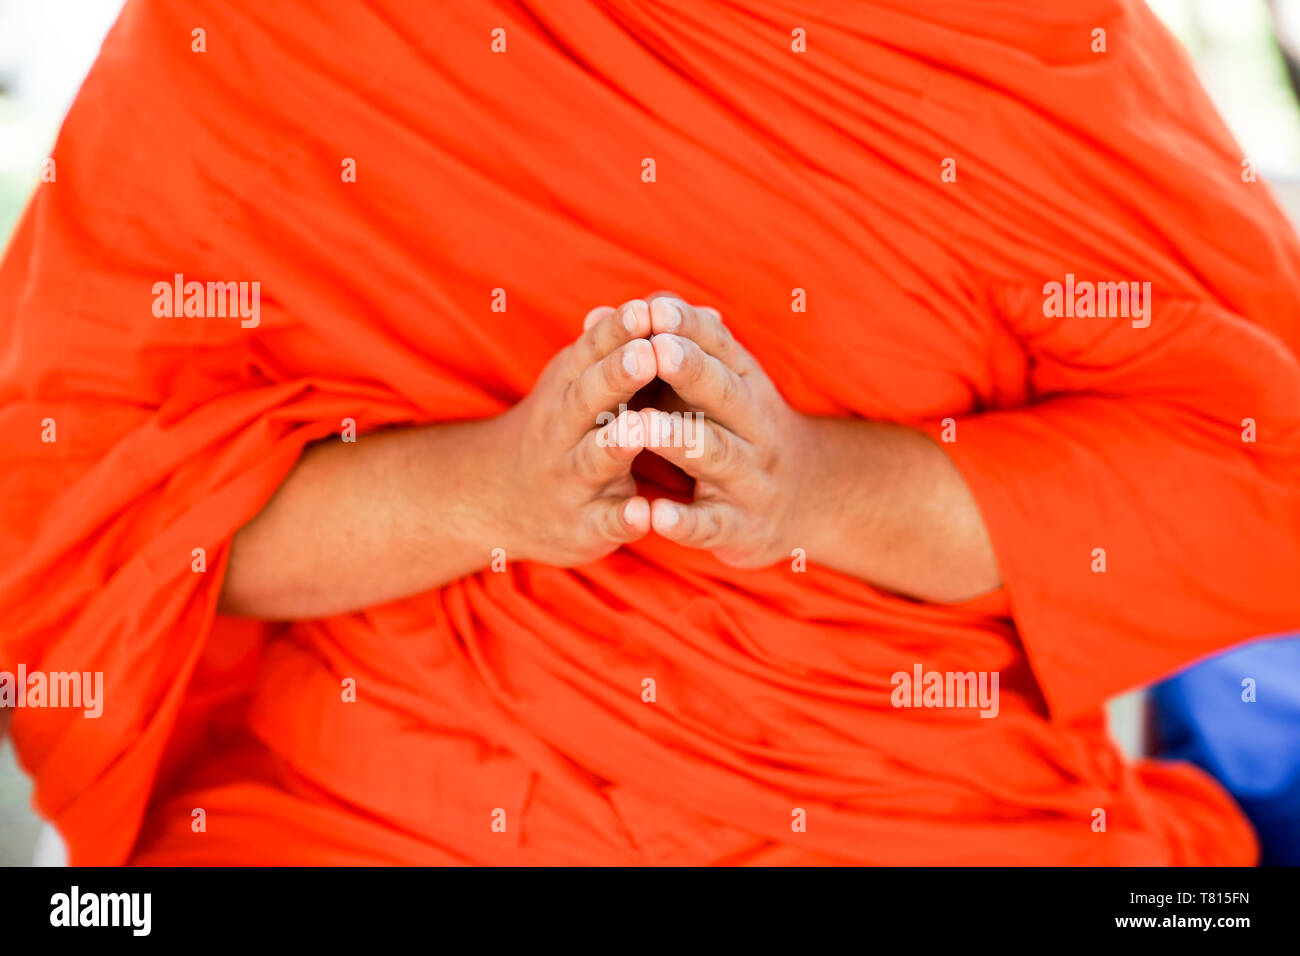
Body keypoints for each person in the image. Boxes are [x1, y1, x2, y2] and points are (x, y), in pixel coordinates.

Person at [1, 0, 1297, 865]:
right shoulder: (273, 32)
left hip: (915, 809)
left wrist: (817, 492)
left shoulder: (1005, 28)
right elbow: (106, 521)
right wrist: (485, 498)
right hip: (383, 812)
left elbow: (1231, 461)